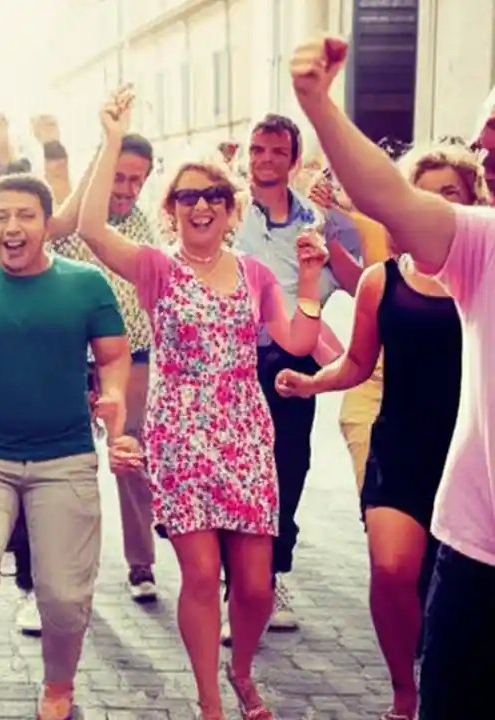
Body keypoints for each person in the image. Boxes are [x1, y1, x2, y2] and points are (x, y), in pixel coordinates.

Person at [78, 85, 325, 720]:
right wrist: (110, 141)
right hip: (182, 432)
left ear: (230, 207)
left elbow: (296, 339)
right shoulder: (159, 268)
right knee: (197, 575)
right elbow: (89, 228)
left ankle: (241, 670)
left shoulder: (256, 275)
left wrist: (314, 280)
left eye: (214, 195)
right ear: (173, 209)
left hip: (245, 429)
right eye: (188, 196)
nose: (202, 204)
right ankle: (211, 697)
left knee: (254, 586)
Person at [292, 36, 495, 720]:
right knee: (394, 573)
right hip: (432, 476)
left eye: (450, 193)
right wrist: (318, 105)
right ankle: (403, 689)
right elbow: (382, 196)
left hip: (451, 449)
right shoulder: (473, 250)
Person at [0, 173, 131, 720]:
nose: (12, 227)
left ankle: (58, 687)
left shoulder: (85, 284)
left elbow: (113, 357)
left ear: (46, 225)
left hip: (64, 457)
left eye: (25, 216)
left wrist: (113, 402)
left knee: (63, 597)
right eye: (1, 217)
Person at [227, 112, 362, 635]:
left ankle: (274, 573)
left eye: (277, 151)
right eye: (258, 149)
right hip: (232, 355)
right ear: (247, 154)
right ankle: (234, 588)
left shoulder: (318, 217)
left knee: (288, 467)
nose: (266, 159)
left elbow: (358, 282)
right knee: (233, 472)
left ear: (294, 159)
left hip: (293, 358)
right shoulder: (225, 209)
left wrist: (331, 242)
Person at [50, 131, 162, 607]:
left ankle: (142, 564)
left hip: (134, 359)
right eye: (117, 176)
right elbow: (55, 231)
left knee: (131, 457)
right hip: (71, 364)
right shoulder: (77, 217)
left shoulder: (146, 226)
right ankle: (62, 570)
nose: (125, 188)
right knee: (70, 464)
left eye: (135, 180)